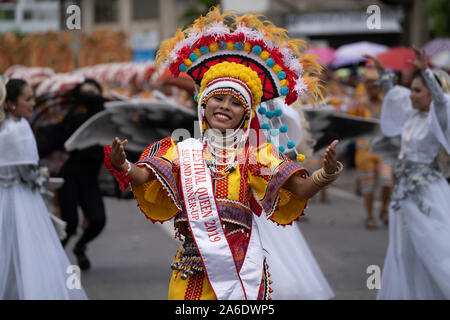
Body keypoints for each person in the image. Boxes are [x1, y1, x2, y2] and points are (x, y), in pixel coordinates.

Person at [104, 7, 342, 300]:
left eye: (235, 103)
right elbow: (145, 176)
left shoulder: (256, 155)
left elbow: (301, 188)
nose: (224, 107)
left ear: (246, 114)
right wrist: (124, 164)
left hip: (242, 271)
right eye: (218, 98)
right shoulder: (182, 150)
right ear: (203, 104)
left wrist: (326, 174)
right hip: (191, 270)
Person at [366, 48, 450, 299]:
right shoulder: (412, 116)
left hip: (427, 193)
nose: (411, 96)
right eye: (411, 90)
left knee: (434, 249)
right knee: (404, 251)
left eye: (417, 90)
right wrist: (382, 73)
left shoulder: (439, 117)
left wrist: (426, 71)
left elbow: (442, 101)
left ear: (431, 94)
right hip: (403, 194)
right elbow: (394, 94)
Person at [0, 78, 87, 299]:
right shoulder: (18, 129)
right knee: (32, 252)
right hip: (21, 198)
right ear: (11, 103)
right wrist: (42, 176)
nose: (32, 104)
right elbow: (27, 172)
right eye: (27, 99)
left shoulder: (4, 129)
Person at [57, 78, 108, 270]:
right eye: (85, 93)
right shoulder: (70, 117)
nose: (89, 97)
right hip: (68, 176)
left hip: (90, 179)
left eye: (93, 93)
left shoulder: (107, 116)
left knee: (98, 220)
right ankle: (53, 257)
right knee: (69, 224)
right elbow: (57, 141)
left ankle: (80, 247)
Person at [348, 68, 393, 229]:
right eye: (369, 83)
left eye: (375, 84)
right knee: (368, 186)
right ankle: (369, 216)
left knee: (388, 182)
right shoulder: (359, 101)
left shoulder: (386, 100)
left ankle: (383, 209)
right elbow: (349, 118)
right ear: (365, 85)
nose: (373, 87)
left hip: (383, 150)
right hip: (365, 152)